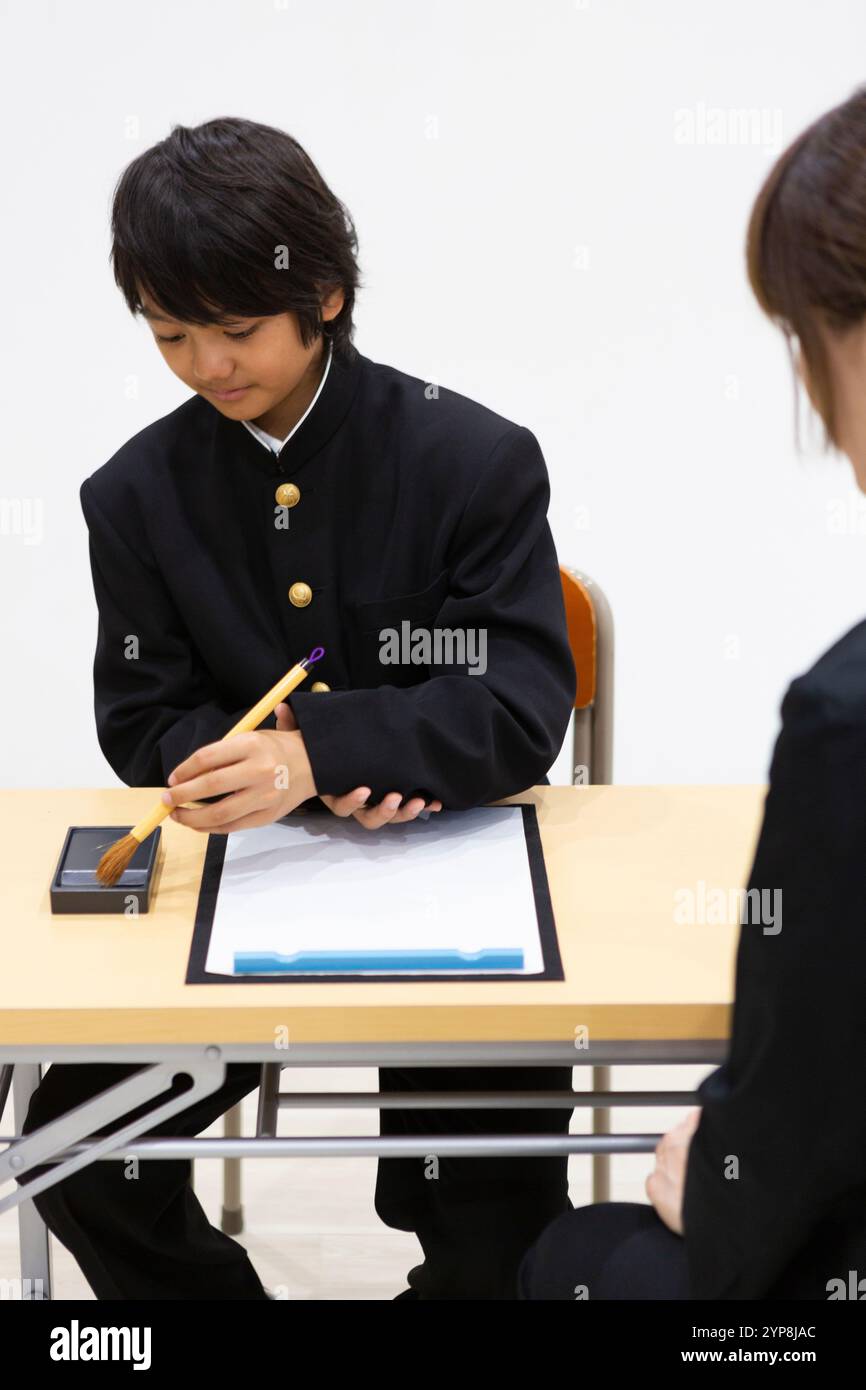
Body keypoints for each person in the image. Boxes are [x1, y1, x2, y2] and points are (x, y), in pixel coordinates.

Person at [18, 116, 577, 1300]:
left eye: (235, 331)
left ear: (322, 294)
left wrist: (321, 751)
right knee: (74, 1142)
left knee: (491, 1201)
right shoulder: (133, 495)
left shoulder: (468, 458)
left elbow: (523, 701)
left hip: (451, 870)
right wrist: (223, 769)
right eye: (172, 335)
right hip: (244, 879)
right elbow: (140, 709)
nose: (208, 367)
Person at [520, 85, 866, 1301]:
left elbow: (805, 1092)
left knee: (576, 1260)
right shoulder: (136, 492)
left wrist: (710, 1169)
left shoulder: (844, 719)